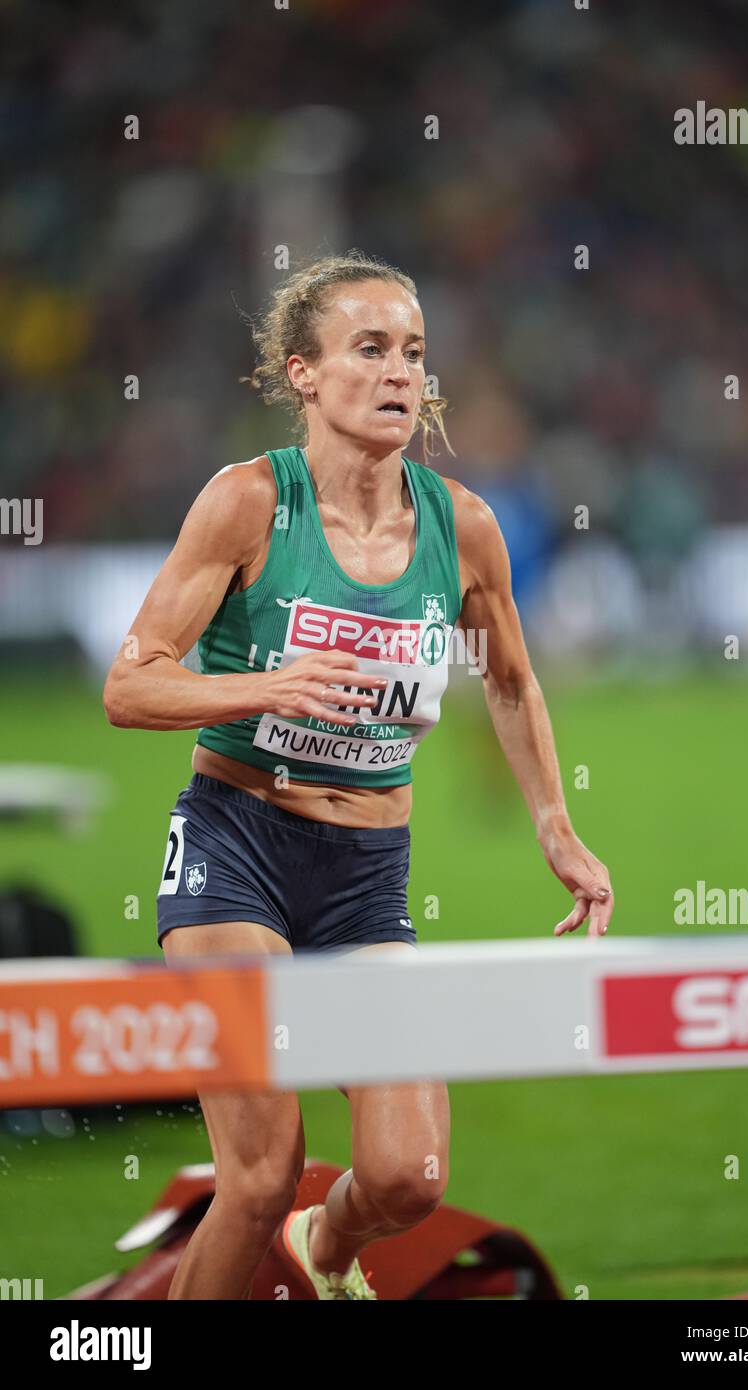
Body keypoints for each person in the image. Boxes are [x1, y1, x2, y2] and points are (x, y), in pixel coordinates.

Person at [102, 250, 614, 1301]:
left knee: (407, 1176)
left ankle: (320, 1253)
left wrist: (555, 826)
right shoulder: (248, 504)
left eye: (414, 354)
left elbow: (510, 684)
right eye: (370, 348)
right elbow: (131, 685)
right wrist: (265, 687)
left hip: (368, 870)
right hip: (236, 846)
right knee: (259, 1172)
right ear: (303, 372)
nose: (400, 375)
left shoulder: (460, 525)